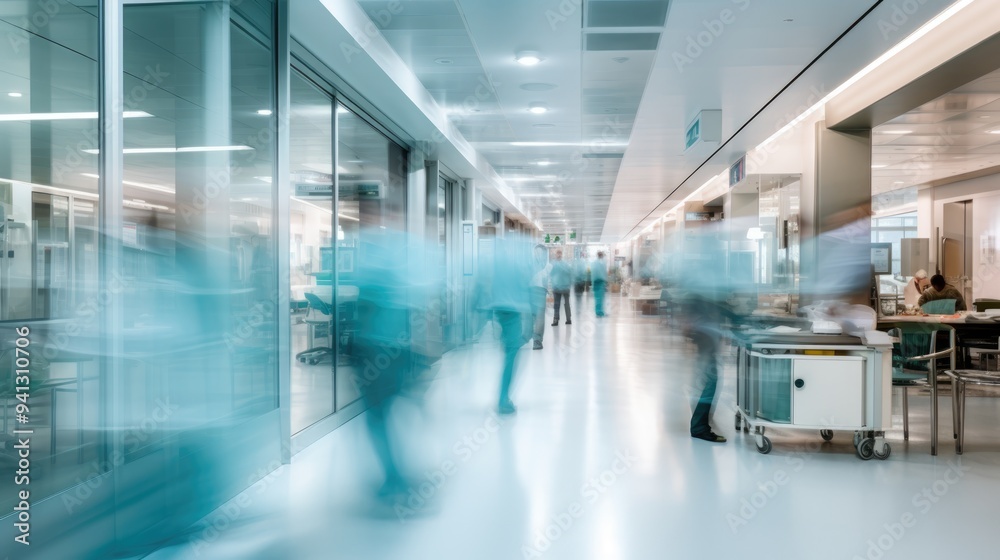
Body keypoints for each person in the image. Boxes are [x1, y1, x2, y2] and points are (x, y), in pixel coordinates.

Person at [530, 244, 551, 349]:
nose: (537, 255)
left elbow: (548, 281)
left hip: (540, 291)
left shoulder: (547, 266)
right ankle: (535, 338)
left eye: (539, 252)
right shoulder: (531, 265)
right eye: (536, 252)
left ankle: (537, 340)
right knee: (535, 316)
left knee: (539, 317)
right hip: (531, 291)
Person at [549, 249, 572, 326]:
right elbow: (551, 275)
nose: (559, 255)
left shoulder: (562, 264)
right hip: (558, 287)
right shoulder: (554, 264)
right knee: (557, 304)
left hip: (563, 287)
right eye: (558, 253)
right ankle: (557, 320)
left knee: (564, 304)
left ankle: (567, 319)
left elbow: (569, 273)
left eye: (560, 253)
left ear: (561, 254)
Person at [591, 251, 608, 316]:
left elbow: (593, 273)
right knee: (600, 298)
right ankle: (599, 312)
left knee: (597, 298)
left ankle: (598, 311)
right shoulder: (602, 263)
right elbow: (604, 273)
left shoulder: (594, 263)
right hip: (600, 282)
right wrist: (606, 281)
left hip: (596, 282)